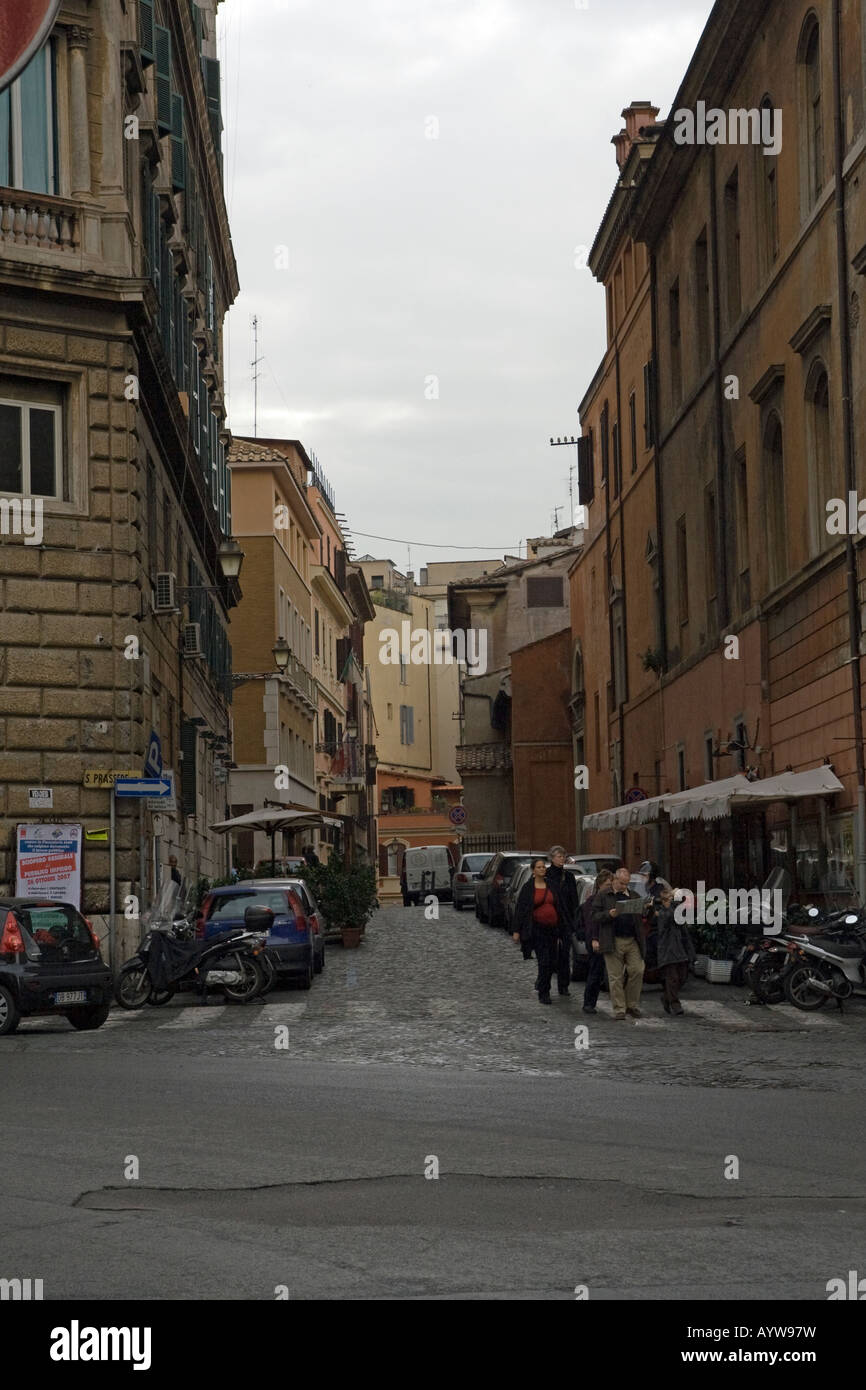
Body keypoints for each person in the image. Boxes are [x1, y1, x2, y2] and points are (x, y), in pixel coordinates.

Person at [513, 856, 570, 1004]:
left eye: (543, 867)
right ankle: (544, 992)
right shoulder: (528, 888)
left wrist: (564, 926)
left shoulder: (551, 885)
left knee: (552, 962)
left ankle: (542, 984)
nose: (542, 869)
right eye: (539, 867)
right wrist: (517, 930)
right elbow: (521, 909)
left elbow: (560, 906)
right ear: (533, 870)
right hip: (537, 929)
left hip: (552, 930)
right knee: (544, 961)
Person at [591, 863, 645, 1020]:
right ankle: (620, 1008)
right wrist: (609, 914)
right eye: (621, 883)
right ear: (614, 880)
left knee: (637, 970)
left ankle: (631, 1004)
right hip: (612, 939)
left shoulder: (633, 895)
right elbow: (594, 915)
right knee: (615, 977)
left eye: (626, 884)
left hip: (632, 939)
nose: (623, 886)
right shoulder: (603, 895)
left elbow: (642, 916)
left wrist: (645, 907)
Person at [655, 886, 695, 1015]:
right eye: (668, 898)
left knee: (682, 976)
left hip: (680, 947)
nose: (670, 900)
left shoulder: (676, 908)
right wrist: (667, 907)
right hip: (668, 948)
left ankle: (666, 997)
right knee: (672, 978)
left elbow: (681, 923)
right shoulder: (660, 912)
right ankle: (675, 1003)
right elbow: (668, 920)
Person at [581, 868, 614, 1014]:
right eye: (607, 884)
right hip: (595, 940)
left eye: (611, 884)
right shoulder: (592, 901)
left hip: (606, 939)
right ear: (600, 885)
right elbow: (591, 922)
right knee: (595, 972)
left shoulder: (610, 899)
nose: (609, 887)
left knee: (601, 972)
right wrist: (595, 939)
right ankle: (588, 1003)